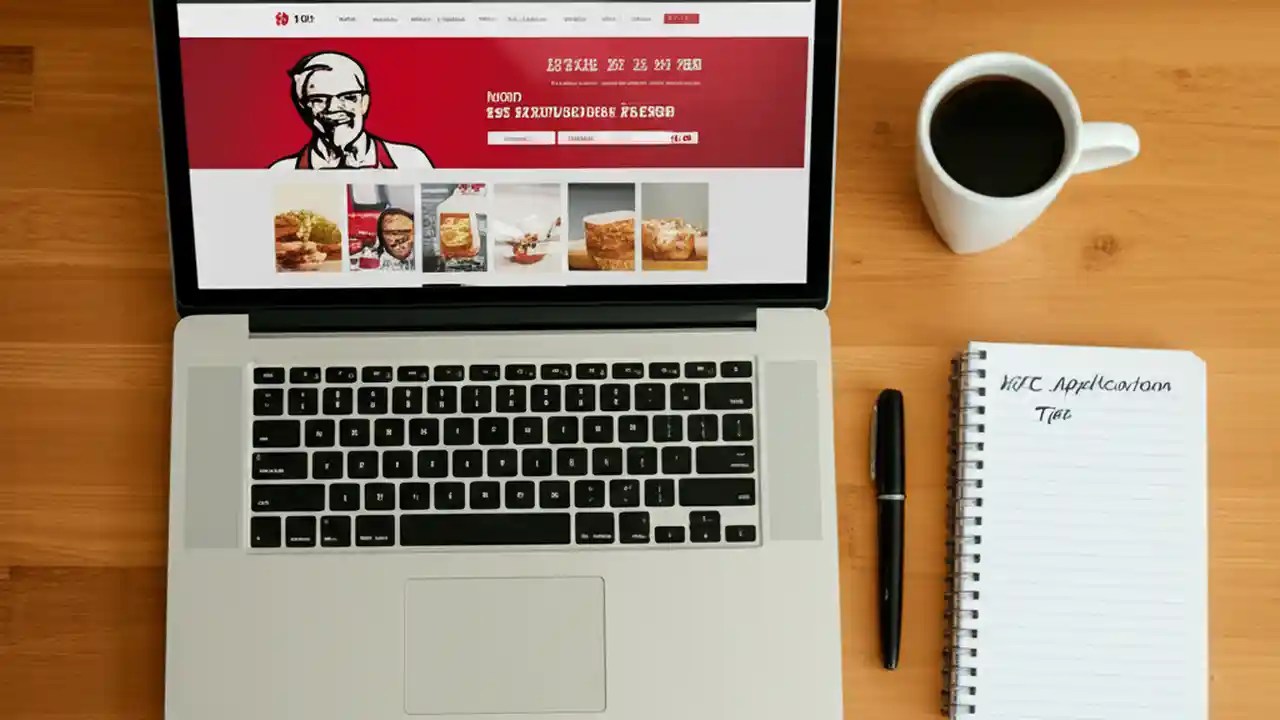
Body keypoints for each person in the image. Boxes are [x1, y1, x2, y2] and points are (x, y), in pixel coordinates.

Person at [270, 51, 432, 170]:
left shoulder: (410, 162)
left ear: (364, 103)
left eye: (348, 97)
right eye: (319, 99)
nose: (333, 108)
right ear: (304, 107)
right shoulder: (281, 172)